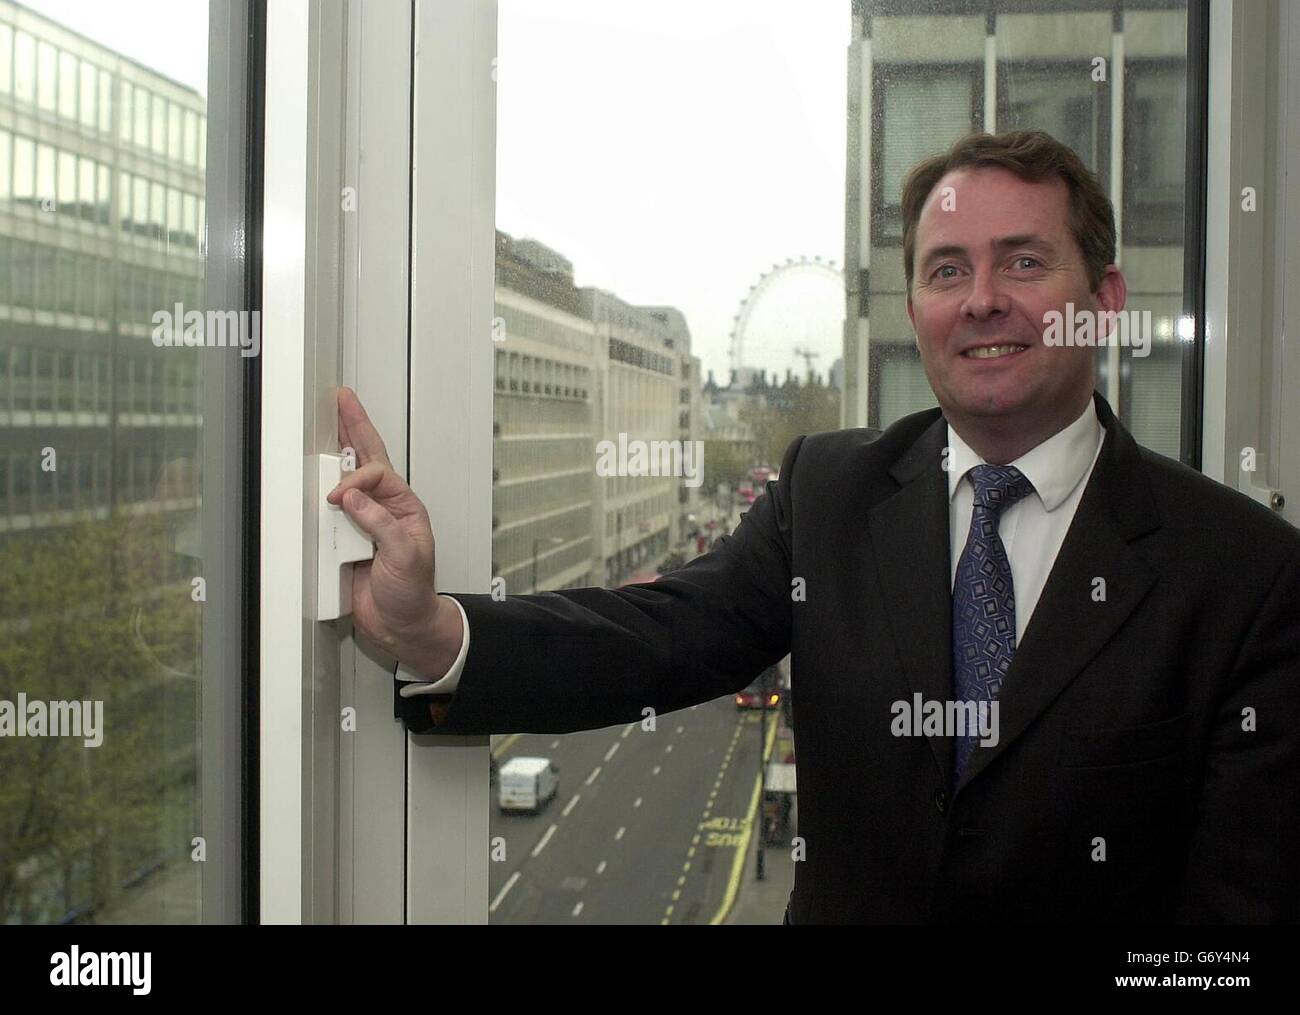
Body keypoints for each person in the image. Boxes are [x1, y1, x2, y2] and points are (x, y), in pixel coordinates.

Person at [328, 129, 1300, 923]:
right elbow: (657, 639)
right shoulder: (829, 493)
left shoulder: (1245, 574)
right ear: (915, 310)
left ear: (1105, 302)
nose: (981, 300)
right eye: (947, 270)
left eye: (1024, 261)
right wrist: (432, 631)